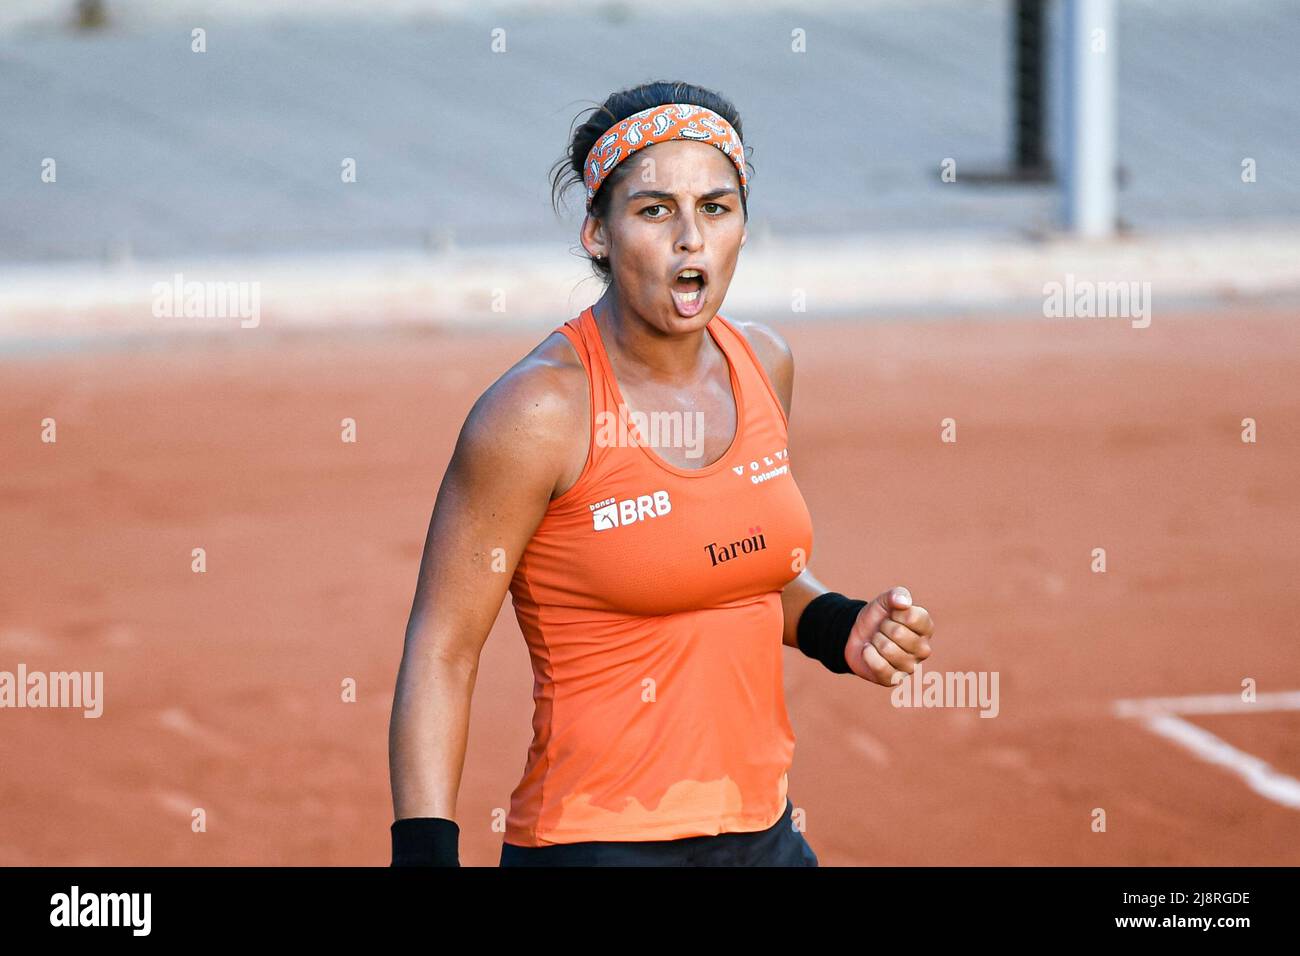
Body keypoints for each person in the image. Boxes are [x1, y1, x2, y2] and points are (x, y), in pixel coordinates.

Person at [388, 80, 935, 867]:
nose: (690, 239)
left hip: (764, 836)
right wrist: (424, 859)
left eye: (716, 208)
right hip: (597, 843)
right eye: (654, 211)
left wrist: (834, 624)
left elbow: (730, 566)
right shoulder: (538, 413)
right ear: (598, 236)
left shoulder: (764, 364)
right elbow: (443, 648)